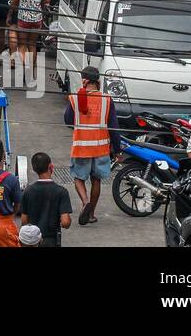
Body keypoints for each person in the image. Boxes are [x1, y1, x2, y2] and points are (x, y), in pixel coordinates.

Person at [64, 65, 120, 226]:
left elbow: (68, 120)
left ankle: (85, 201)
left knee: (78, 178)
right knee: (96, 180)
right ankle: (91, 214)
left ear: (84, 81)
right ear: (98, 82)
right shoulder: (107, 100)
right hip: (101, 148)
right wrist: (117, 150)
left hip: (81, 147)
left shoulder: (75, 98)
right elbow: (114, 127)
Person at [6, 0, 49, 85]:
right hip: (37, 19)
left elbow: (14, 1)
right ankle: (31, 73)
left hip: (23, 18)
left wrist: (9, 15)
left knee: (22, 45)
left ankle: (24, 69)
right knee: (32, 45)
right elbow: (47, 0)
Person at [19, 151, 72, 247]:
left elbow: (24, 221)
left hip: (33, 241)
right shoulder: (61, 192)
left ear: (35, 169)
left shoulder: (27, 191)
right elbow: (65, 222)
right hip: (52, 239)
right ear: (51, 167)